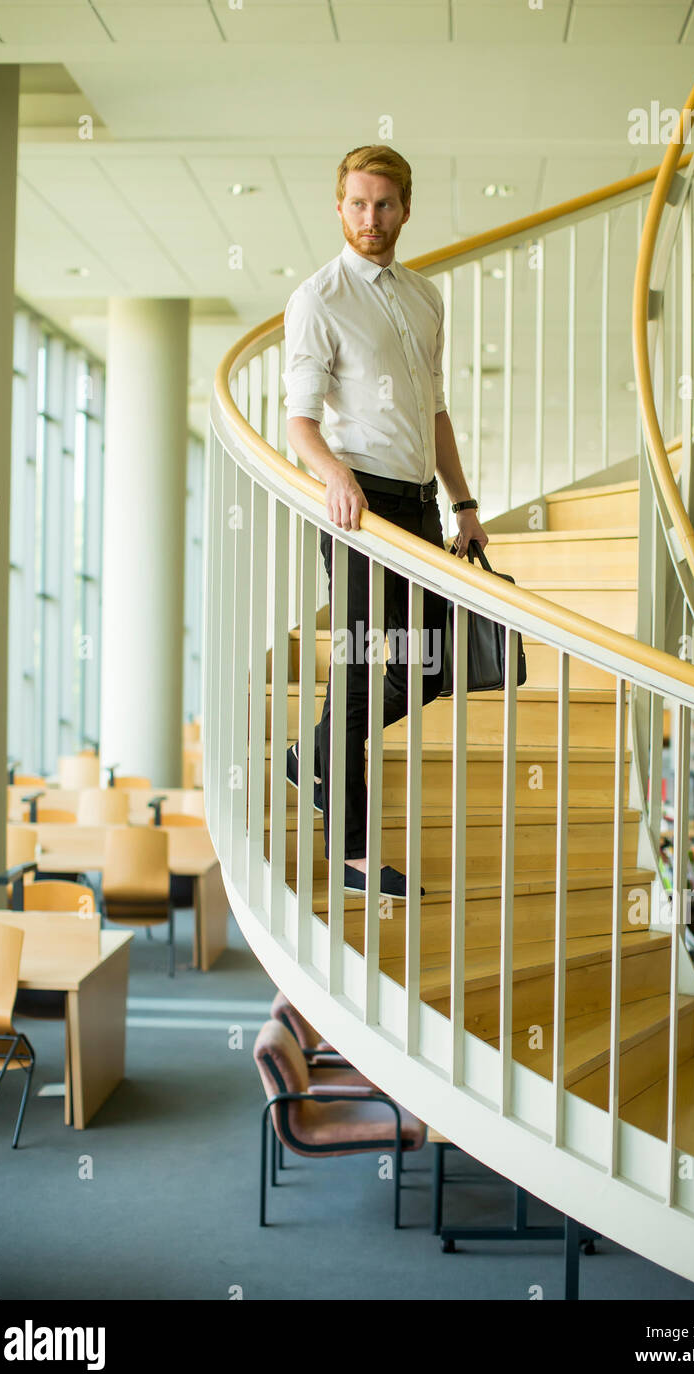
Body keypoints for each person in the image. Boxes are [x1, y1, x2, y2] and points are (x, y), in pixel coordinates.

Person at [283, 144, 488, 900]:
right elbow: (299, 422)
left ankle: (315, 755)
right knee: (366, 673)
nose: (372, 218)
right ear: (339, 207)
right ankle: (356, 854)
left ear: (406, 208)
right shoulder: (319, 298)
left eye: (386, 204)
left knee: (430, 666)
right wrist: (336, 478)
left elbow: (434, 410)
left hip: (419, 503)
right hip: (361, 502)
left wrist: (462, 502)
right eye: (359, 204)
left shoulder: (425, 296)